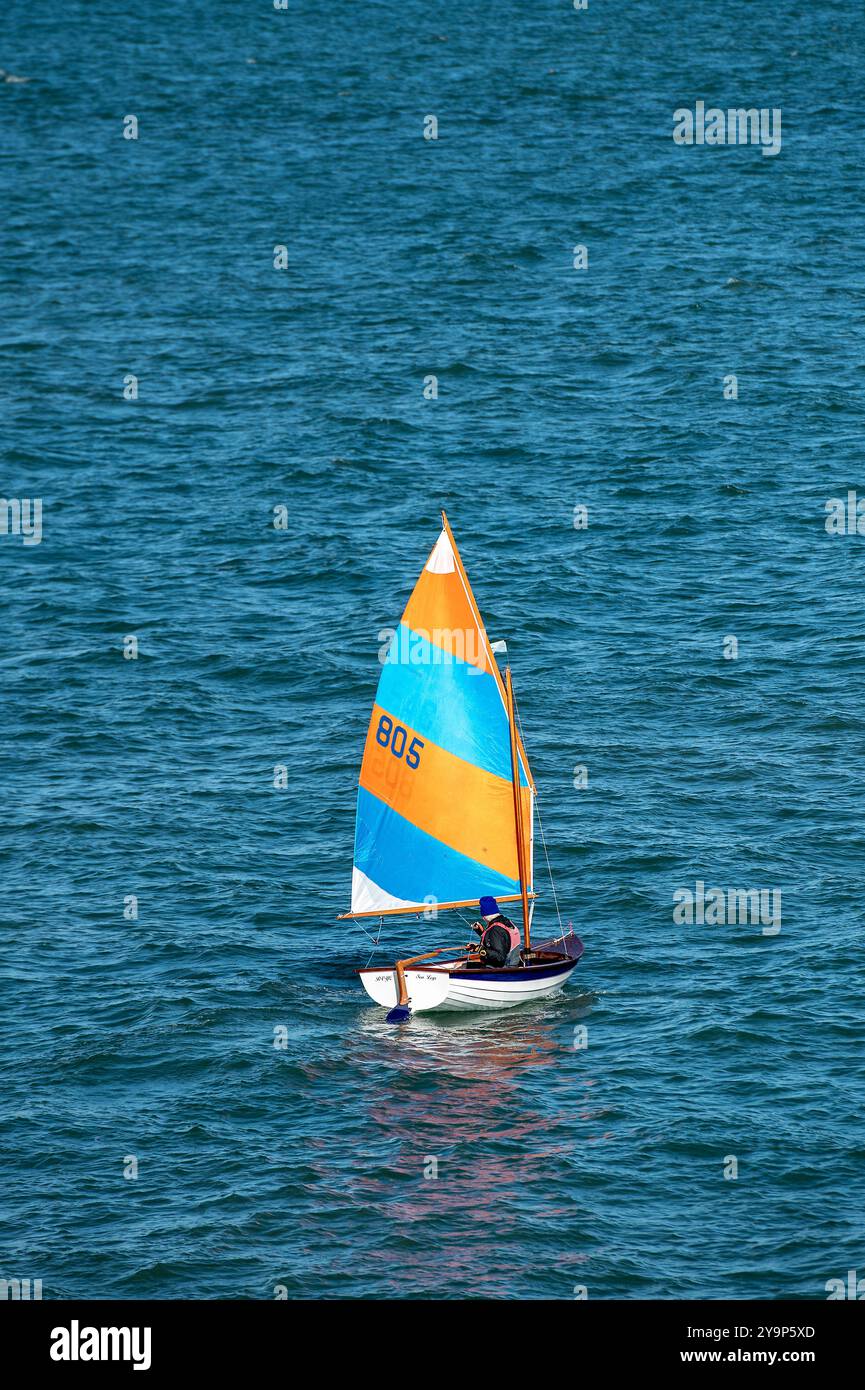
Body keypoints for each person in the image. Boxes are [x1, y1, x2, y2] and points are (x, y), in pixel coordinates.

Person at [469, 896, 522, 968]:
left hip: (502, 970)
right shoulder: (506, 922)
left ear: (484, 916)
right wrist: (481, 932)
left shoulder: (495, 930)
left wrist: (479, 949)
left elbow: (500, 957)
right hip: (513, 965)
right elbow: (501, 941)